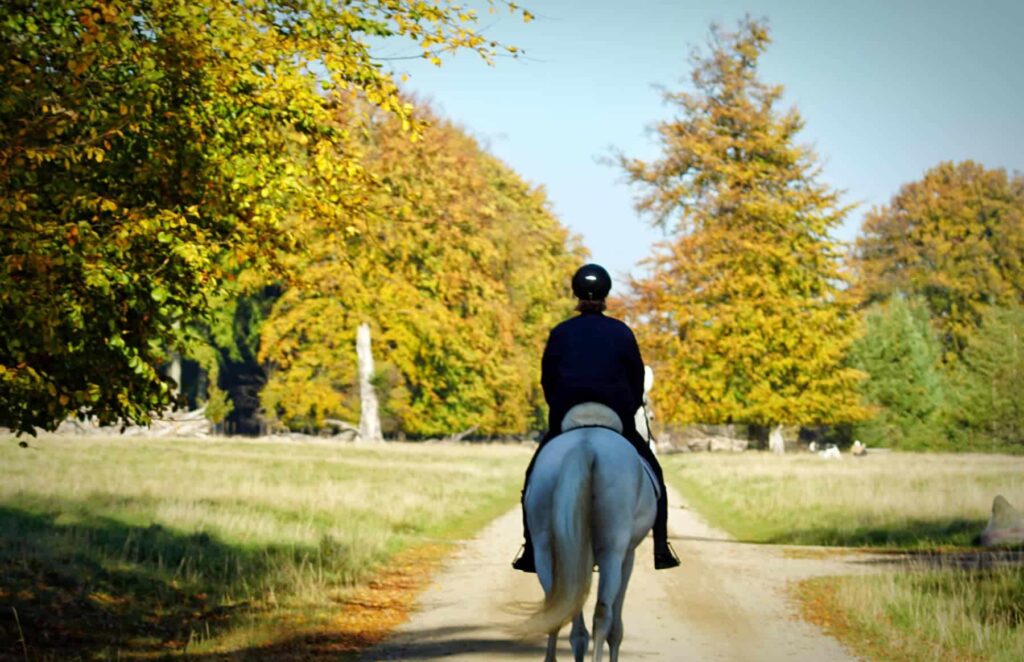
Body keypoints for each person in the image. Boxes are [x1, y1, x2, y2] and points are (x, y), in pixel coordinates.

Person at [512, 263, 680, 572]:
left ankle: (531, 549)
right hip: (614, 419)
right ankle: (661, 548)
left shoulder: (560, 333)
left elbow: (547, 380)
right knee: (655, 475)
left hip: (568, 418)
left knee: (533, 475)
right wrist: (627, 411)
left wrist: (561, 410)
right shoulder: (621, 332)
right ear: (606, 295)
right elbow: (635, 378)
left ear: (575, 294)